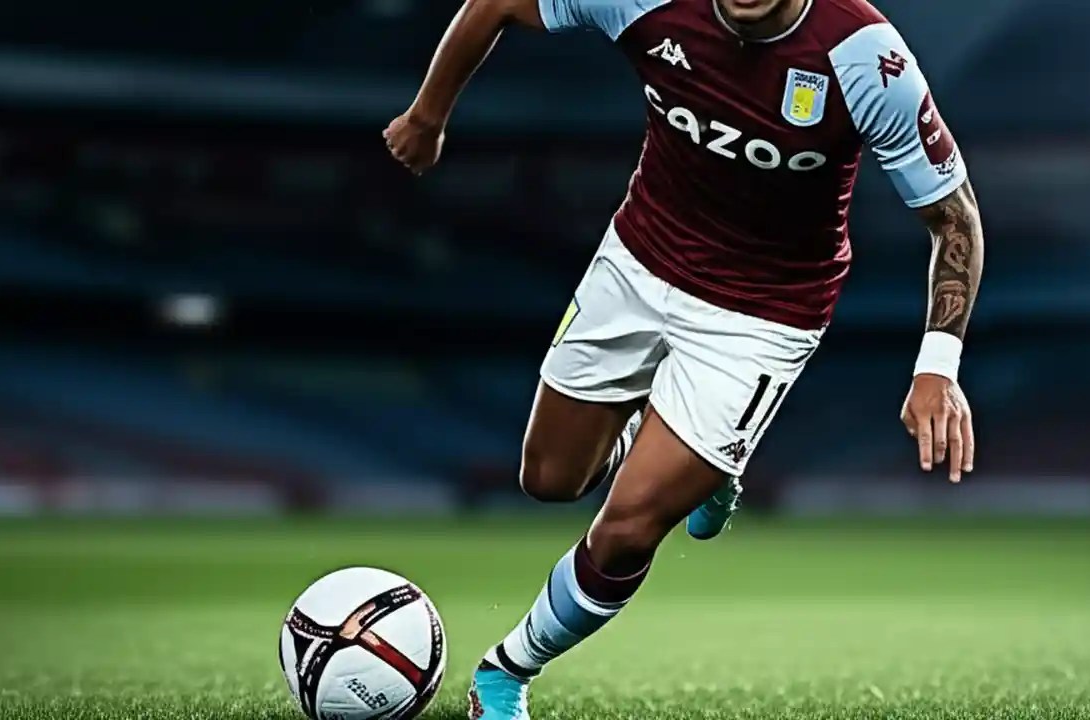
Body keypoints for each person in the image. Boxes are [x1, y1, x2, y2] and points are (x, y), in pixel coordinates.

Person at [384, 0, 984, 717]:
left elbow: (955, 217)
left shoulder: (866, 58)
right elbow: (498, 3)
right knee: (549, 479)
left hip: (762, 316)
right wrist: (428, 115)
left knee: (628, 526)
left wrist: (937, 365)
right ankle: (689, 460)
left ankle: (506, 671)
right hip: (637, 264)